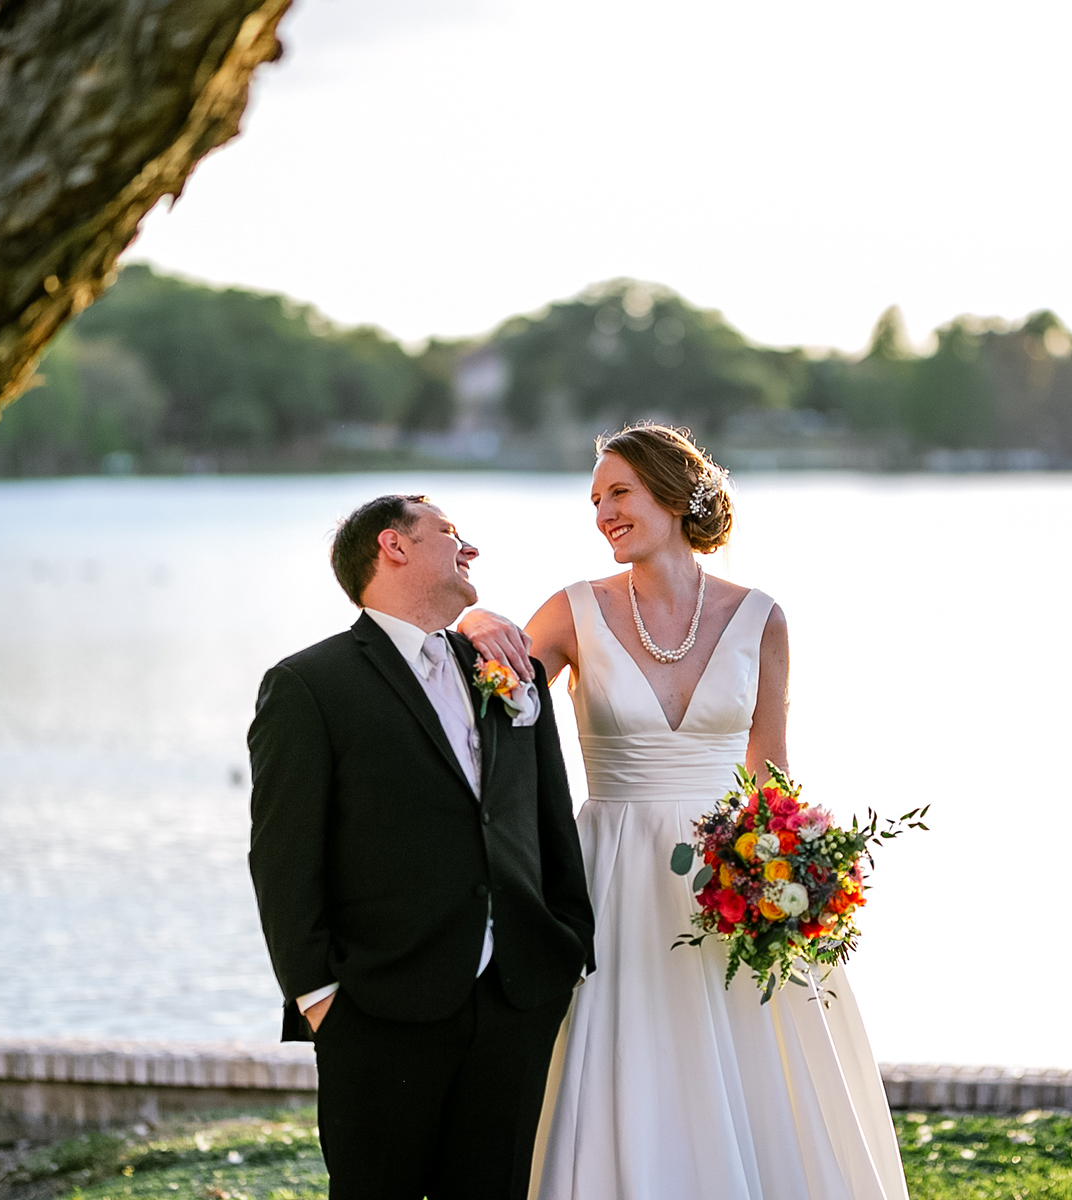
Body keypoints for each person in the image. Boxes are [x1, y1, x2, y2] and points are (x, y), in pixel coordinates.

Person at [461, 425, 908, 1200]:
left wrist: (791, 875)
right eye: (595, 500)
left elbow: (771, 774)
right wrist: (473, 624)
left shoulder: (761, 617)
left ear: (673, 494)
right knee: (620, 1053)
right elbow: (488, 695)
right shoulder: (573, 611)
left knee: (754, 1067)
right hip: (610, 872)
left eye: (619, 492)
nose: (603, 513)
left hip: (733, 875)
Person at [248, 494, 597, 1200]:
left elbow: (549, 816)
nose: (470, 549)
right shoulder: (308, 685)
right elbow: (282, 859)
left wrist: (566, 948)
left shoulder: (507, 667)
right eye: (449, 533)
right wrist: (320, 999)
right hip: (377, 1011)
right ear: (394, 546)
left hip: (516, 1001)